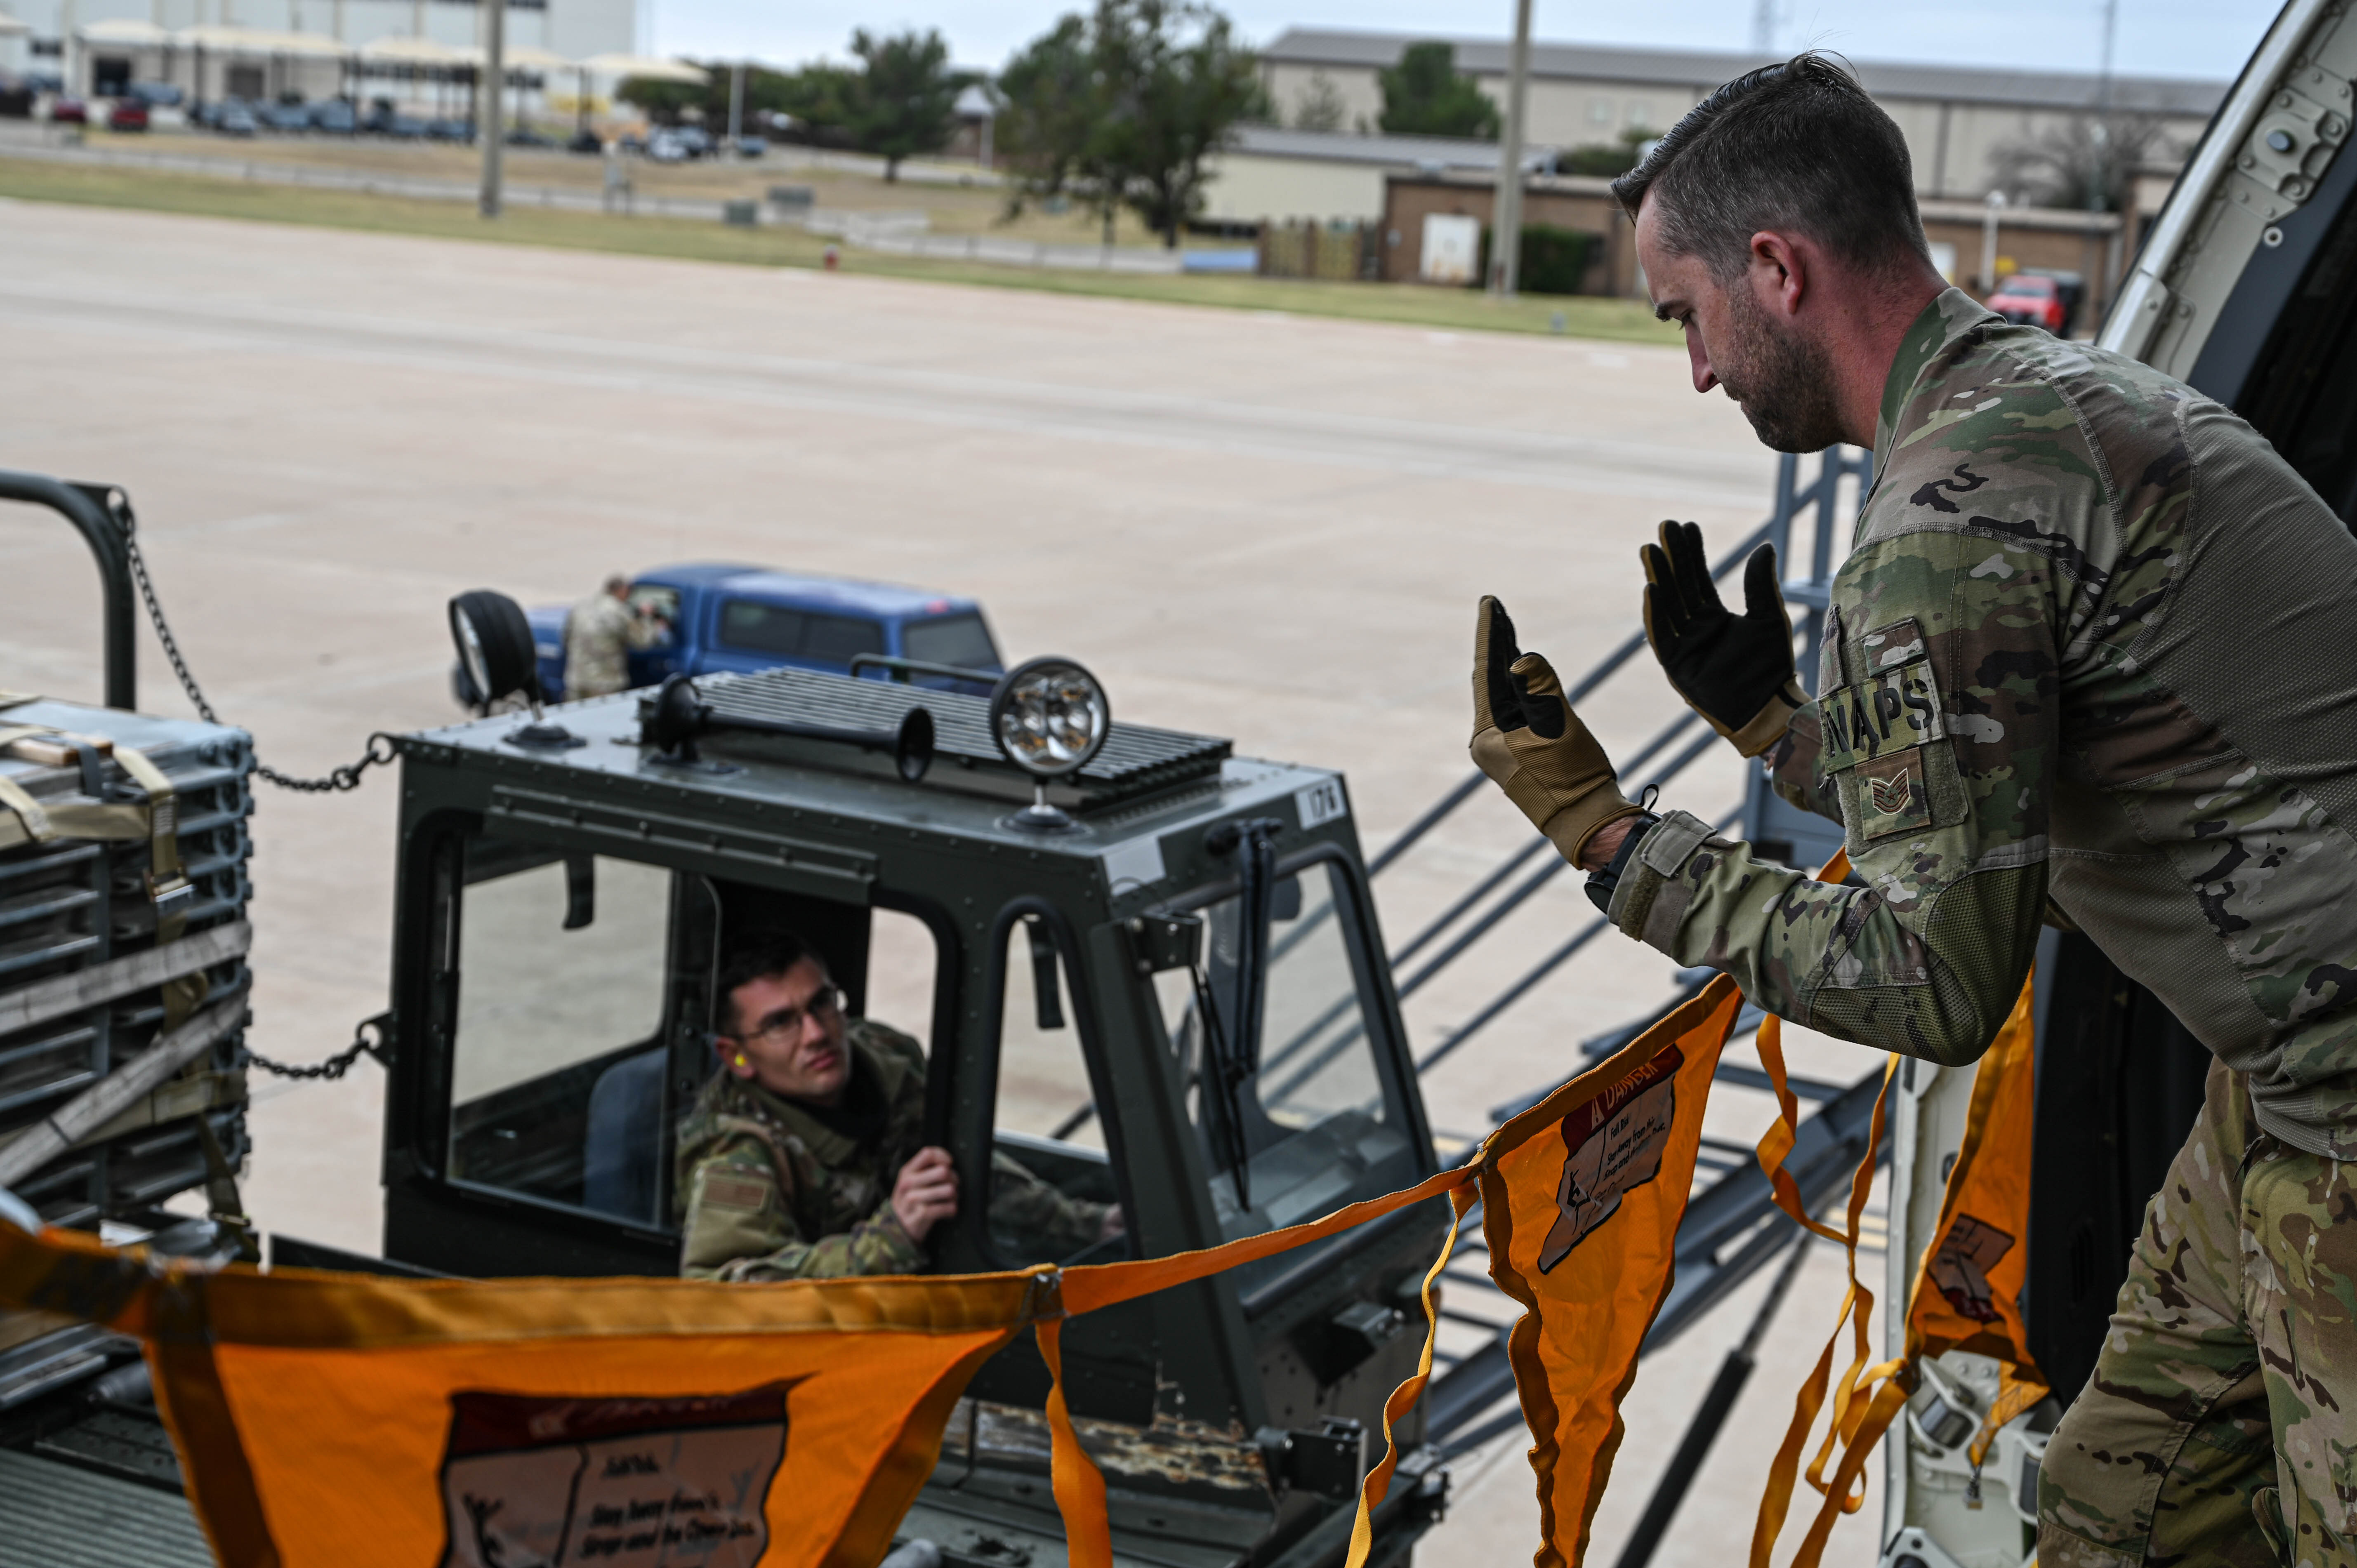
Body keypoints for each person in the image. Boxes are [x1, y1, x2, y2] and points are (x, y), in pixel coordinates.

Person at [1468, 54, 2357, 1567]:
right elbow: (2047, 791)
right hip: (2283, 1077)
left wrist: (1612, 843)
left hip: (2339, 1104)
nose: (1698, 371)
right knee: (2112, 1509)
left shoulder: (1945, 520)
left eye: (1686, 318)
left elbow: (1934, 979)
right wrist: (1778, 729)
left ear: (1775, 268)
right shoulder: (2056, 405)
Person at [676, 930, 1121, 1281]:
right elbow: (723, 1290)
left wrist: (1091, 1227)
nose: (815, 1034)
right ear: (737, 1057)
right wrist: (890, 1239)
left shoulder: (886, 1059)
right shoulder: (736, 1154)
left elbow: (965, 1175)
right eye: (779, 1024)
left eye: (821, 1004)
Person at [563, 575, 667, 701]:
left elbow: (565, 637)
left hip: (576, 679)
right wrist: (649, 619)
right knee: (601, 718)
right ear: (622, 591)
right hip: (604, 683)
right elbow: (642, 642)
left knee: (574, 717)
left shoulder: (581, 606)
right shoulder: (618, 611)